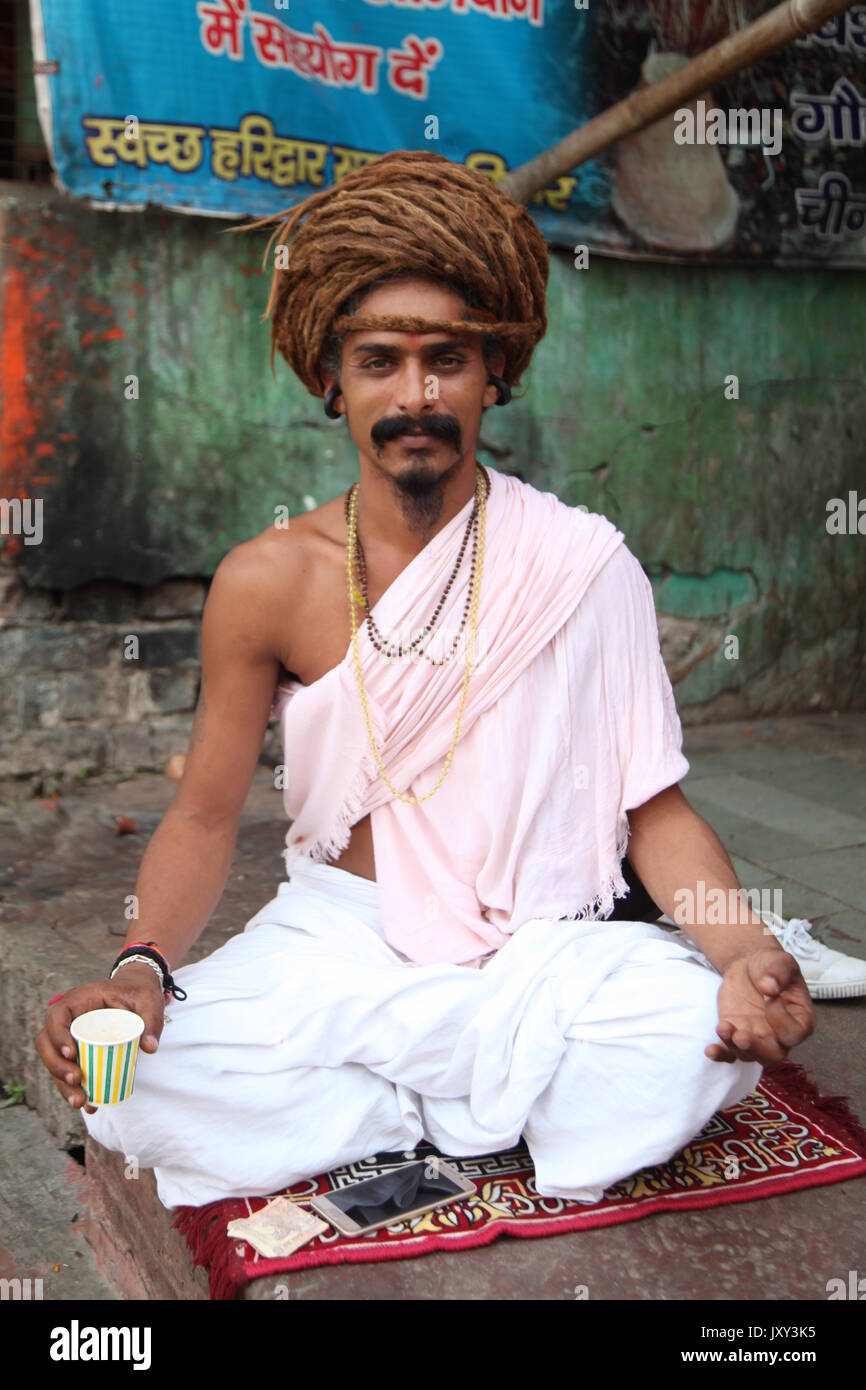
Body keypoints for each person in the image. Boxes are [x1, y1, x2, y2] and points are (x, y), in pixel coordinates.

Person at [35, 151, 813, 1211]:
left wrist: (742, 951)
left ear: (495, 371)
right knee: (130, 1084)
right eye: (377, 361)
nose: (414, 394)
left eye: (445, 358)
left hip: (540, 945)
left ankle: (398, 1093)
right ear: (332, 380)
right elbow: (207, 814)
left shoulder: (581, 562)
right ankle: (464, 1098)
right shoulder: (267, 581)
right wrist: (137, 970)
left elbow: (653, 810)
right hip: (343, 938)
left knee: (686, 1041)